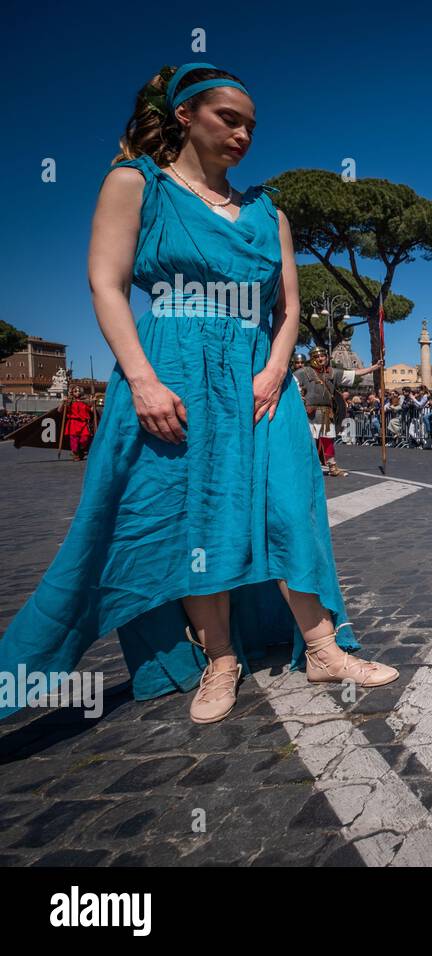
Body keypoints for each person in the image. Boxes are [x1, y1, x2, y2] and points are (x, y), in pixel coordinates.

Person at [0, 62, 397, 727]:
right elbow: (106, 283)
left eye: (251, 125)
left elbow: (289, 309)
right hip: (171, 369)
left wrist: (276, 369)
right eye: (228, 119)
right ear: (185, 115)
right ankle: (220, 659)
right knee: (194, 517)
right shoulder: (136, 183)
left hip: (258, 375)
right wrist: (144, 379)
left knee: (289, 503)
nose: (243, 134)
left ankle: (324, 647)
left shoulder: (268, 210)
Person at [296, 345, 381, 475]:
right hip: (309, 412)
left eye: (322, 356)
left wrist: (374, 367)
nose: (320, 358)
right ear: (312, 358)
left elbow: (354, 373)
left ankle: (332, 467)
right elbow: (292, 384)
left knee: (328, 440)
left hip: (326, 412)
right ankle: (306, 467)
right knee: (309, 440)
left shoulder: (332, 372)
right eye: (317, 356)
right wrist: (298, 396)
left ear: (326, 357)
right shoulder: (304, 372)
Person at [64, 385, 97, 461]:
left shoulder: (85, 401)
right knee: (74, 440)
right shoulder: (69, 402)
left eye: (79, 391)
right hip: (73, 423)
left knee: (84, 439)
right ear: (72, 392)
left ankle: (81, 451)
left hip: (83, 423)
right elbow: (60, 410)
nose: (78, 392)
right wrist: (63, 402)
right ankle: (75, 454)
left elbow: (92, 410)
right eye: (76, 391)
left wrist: (93, 403)